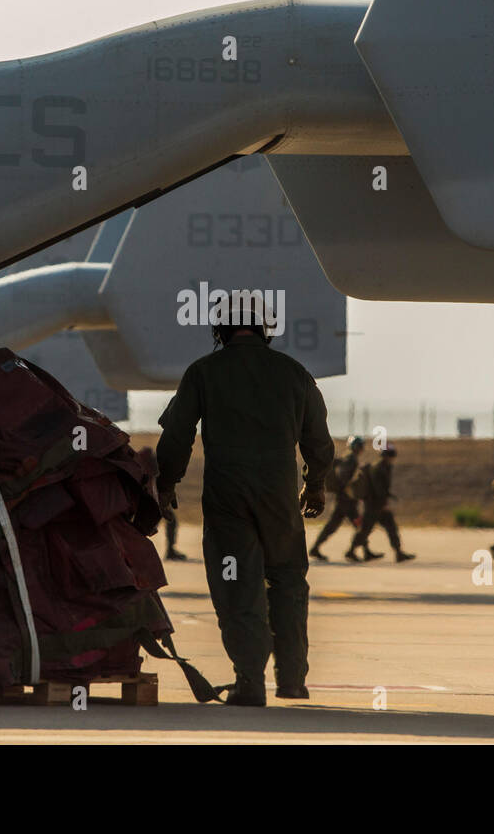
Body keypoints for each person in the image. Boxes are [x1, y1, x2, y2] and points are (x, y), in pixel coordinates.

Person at [155, 302, 334, 706]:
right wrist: (316, 485)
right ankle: (292, 680)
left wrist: (165, 486)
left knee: (237, 583)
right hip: (280, 498)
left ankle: (250, 682)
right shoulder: (294, 373)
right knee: (287, 580)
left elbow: (177, 436)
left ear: (220, 331)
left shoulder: (203, 372)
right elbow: (319, 443)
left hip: (228, 500)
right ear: (263, 330)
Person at [309, 435, 378, 562]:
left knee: (334, 526)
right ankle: (355, 552)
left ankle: (316, 548)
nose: (361, 449)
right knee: (359, 526)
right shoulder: (350, 460)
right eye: (360, 447)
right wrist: (350, 489)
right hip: (347, 501)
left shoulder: (350, 458)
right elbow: (343, 477)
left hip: (346, 500)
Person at [346, 445, 415, 563]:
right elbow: (378, 489)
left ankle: (398, 552)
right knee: (365, 529)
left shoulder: (384, 467)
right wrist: (383, 503)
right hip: (374, 505)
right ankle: (351, 551)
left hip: (377, 504)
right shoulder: (379, 468)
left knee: (390, 527)